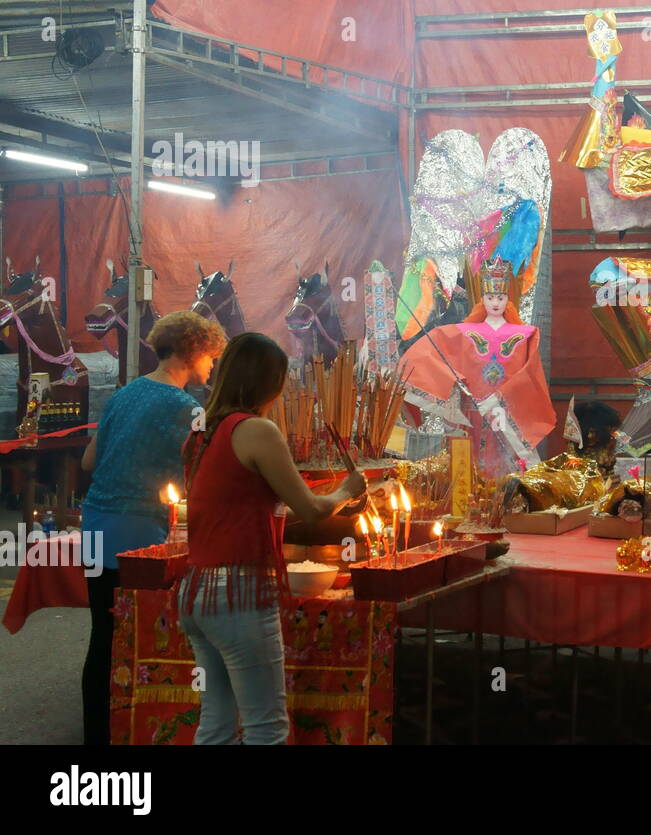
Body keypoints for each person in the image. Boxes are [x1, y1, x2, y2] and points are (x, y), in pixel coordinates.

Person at [178, 332, 366, 745]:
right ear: (274, 382)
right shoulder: (257, 431)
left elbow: (242, 503)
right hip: (238, 594)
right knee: (267, 728)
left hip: (196, 592)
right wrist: (348, 490)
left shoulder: (201, 434)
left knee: (217, 723)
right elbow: (312, 510)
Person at [79, 309, 226, 746]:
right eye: (211, 357)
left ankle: (98, 736)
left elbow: (89, 461)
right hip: (143, 536)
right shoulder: (188, 408)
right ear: (194, 352)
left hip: (96, 529)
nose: (213, 366)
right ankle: (148, 730)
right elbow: (205, 479)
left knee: (102, 638)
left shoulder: (124, 395)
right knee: (151, 641)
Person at [399, 256, 555, 482]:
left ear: (507, 299)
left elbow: (530, 377)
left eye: (500, 297)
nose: (495, 302)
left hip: (505, 416)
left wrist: (501, 400)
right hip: (471, 415)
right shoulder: (462, 333)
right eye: (490, 297)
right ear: (482, 298)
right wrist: (451, 388)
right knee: (467, 474)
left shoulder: (525, 335)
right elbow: (428, 353)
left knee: (507, 476)